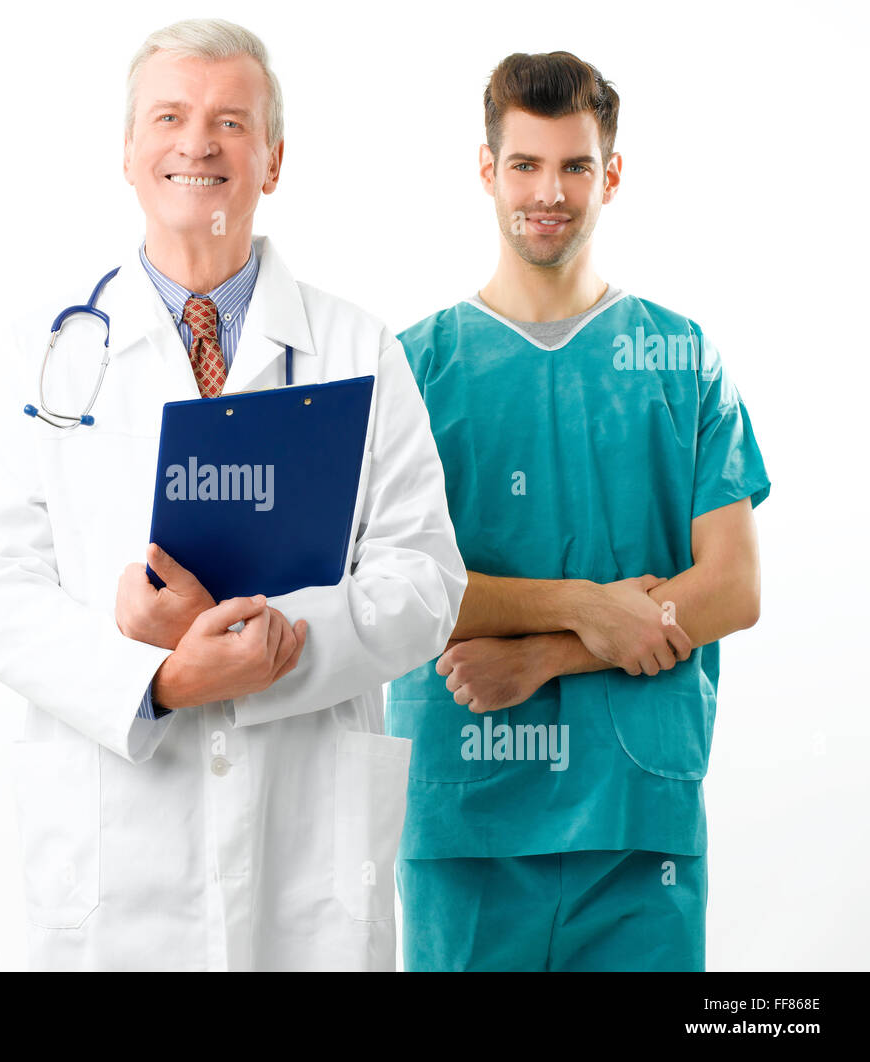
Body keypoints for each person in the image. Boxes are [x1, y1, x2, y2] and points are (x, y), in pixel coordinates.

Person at [0, 19, 465, 971]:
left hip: (306, 845)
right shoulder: (44, 355)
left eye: (230, 120)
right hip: (116, 841)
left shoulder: (356, 347)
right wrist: (162, 680)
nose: (197, 142)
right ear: (128, 153)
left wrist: (277, 651)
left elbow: (425, 577)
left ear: (274, 157)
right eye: (170, 117)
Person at [389, 52, 770, 971]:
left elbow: (733, 587)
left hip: (640, 824)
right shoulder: (413, 371)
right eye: (524, 164)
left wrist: (554, 651)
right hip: (469, 818)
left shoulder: (679, 361)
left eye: (574, 166)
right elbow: (397, 584)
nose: (548, 191)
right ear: (487, 171)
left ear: (612, 174)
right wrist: (591, 605)